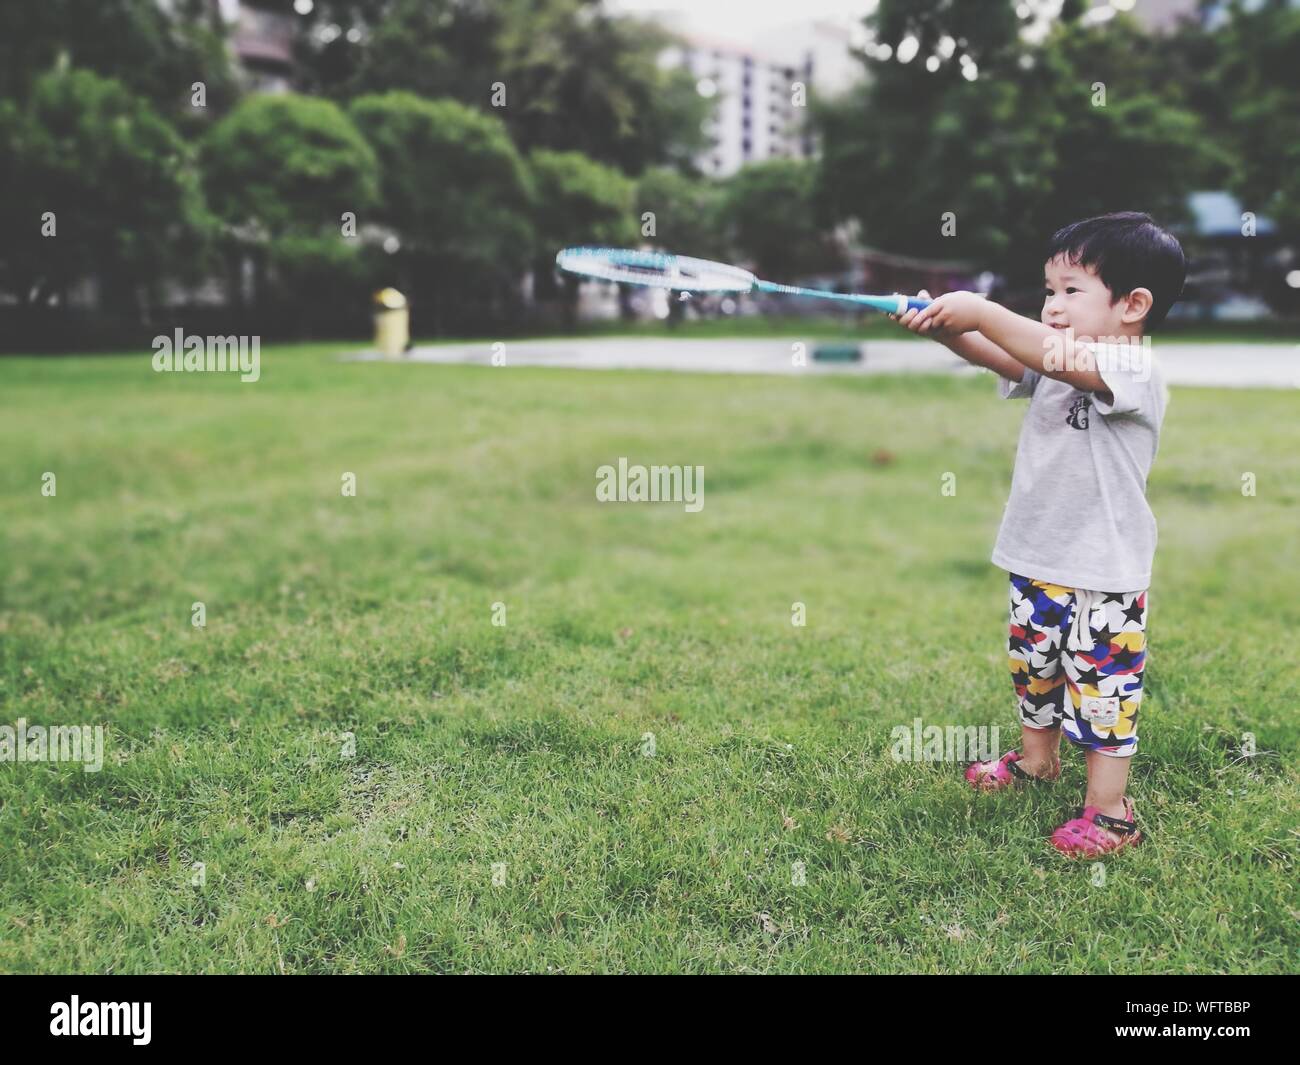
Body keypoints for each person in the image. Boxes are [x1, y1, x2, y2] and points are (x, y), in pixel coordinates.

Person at [891, 212, 1186, 857]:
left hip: (1104, 570)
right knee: (1036, 672)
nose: (1052, 306)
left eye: (1071, 290)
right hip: (1038, 555)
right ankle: (1037, 762)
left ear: (1133, 305)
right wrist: (947, 329)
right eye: (1048, 291)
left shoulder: (1132, 369)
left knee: (1102, 690)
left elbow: (1043, 350)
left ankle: (1110, 812)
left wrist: (980, 308)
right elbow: (1002, 353)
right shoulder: (1055, 360)